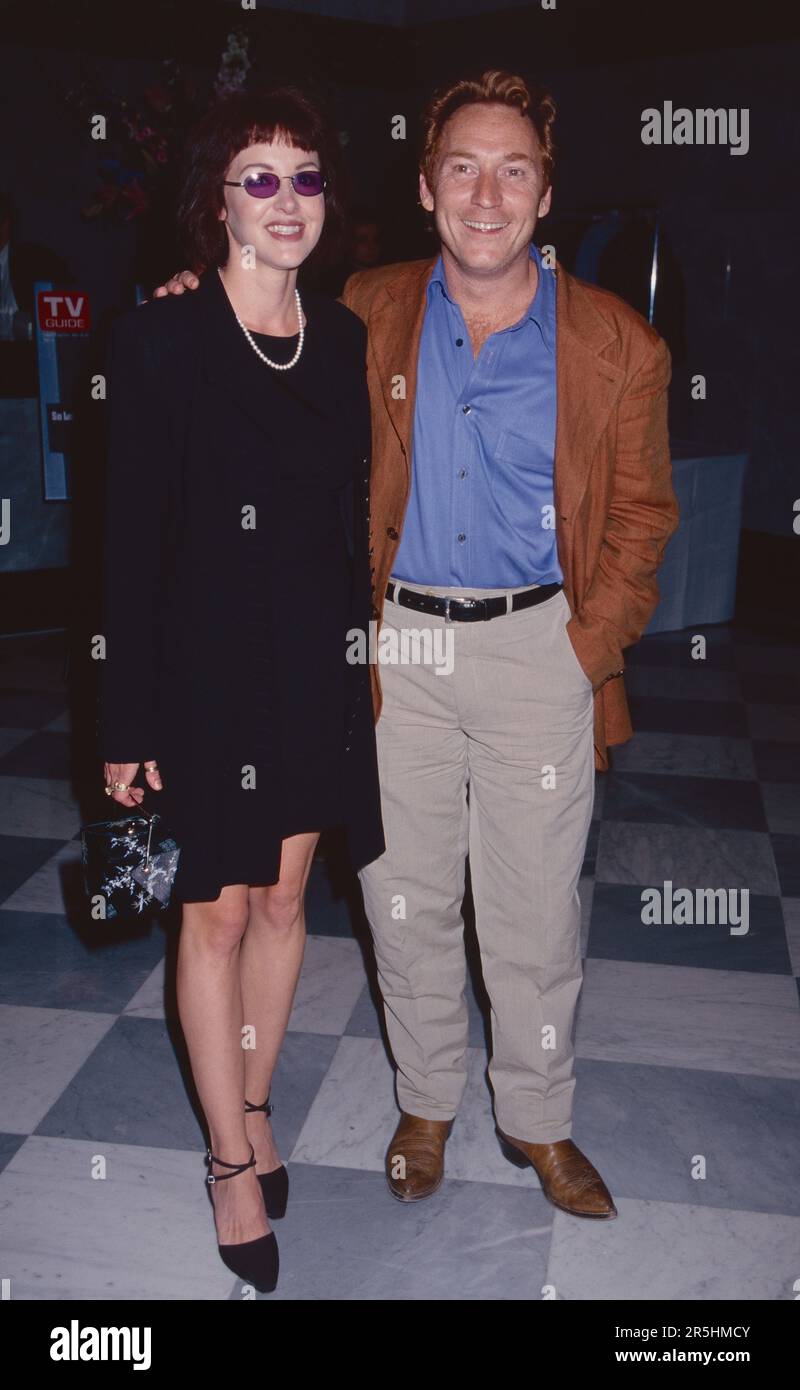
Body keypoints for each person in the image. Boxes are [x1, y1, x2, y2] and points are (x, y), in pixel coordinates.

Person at [158, 68, 679, 1225]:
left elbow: (643, 518)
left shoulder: (616, 344)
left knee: (536, 912)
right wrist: (199, 293)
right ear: (425, 184)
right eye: (462, 166)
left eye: (513, 169)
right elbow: (255, 347)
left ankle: (538, 1119)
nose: (485, 193)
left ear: (545, 194)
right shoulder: (363, 306)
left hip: (539, 642)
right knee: (400, 896)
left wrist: (584, 645)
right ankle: (426, 1102)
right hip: (392, 647)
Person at [99, 87, 384, 1294]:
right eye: (256, 178)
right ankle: (226, 1162)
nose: (283, 200)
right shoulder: (159, 340)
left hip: (312, 668)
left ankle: (255, 1098)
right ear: (214, 203)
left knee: (283, 908)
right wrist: (122, 722)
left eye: (303, 176)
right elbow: (121, 546)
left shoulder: (347, 336)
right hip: (202, 676)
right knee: (210, 913)